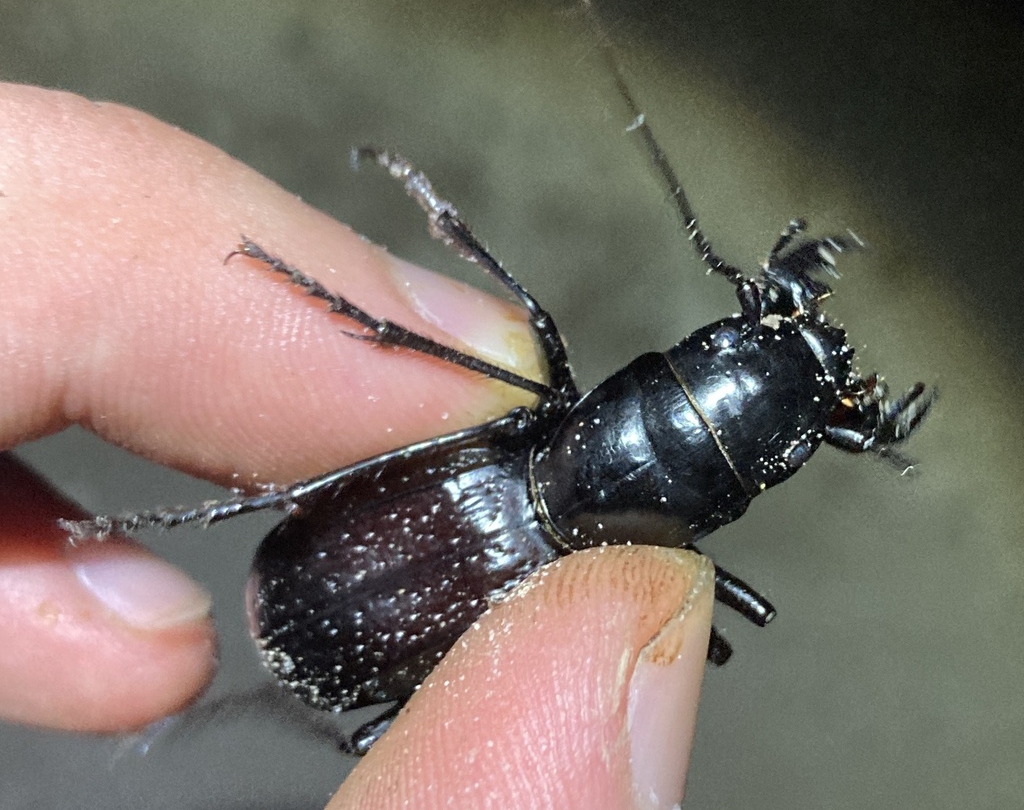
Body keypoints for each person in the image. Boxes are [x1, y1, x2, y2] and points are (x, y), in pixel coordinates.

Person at [0, 84, 711, 808]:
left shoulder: (540, 458)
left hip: (322, 600)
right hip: (316, 589)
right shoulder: (566, 498)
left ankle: (212, 553)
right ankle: (218, 551)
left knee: (518, 351)